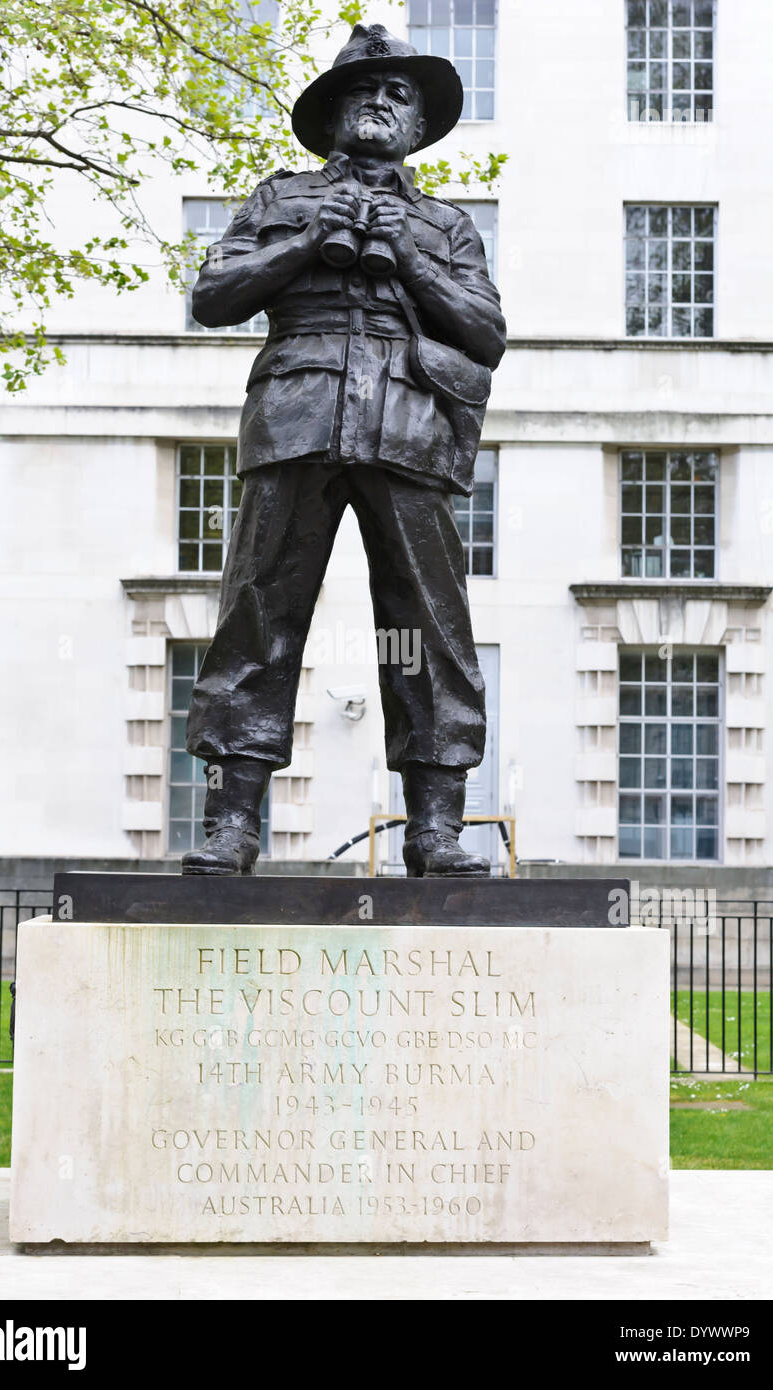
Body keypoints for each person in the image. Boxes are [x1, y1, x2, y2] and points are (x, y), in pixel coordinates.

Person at [182, 22, 506, 877]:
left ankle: (434, 827)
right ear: (330, 117)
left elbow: (486, 334)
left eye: (398, 95)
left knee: (427, 625)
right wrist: (303, 239)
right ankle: (232, 821)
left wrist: (409, 259)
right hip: (297, 414)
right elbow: (212, 297)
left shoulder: (446, 224)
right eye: (362, 91)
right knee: (259, 614)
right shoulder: (279, 198)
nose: (379, 103)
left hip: (409, 426)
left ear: (418, 125)